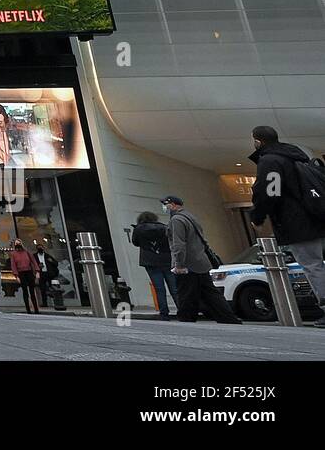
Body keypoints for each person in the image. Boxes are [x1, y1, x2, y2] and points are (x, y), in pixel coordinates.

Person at [248, 126, 325, 328]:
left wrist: (257, 216)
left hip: (297, 221)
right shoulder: (296, 155)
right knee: (317, 263)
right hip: (316, 215)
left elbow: (271, 192)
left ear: (258, 141)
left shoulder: (270, 160)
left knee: (312, 265)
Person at [162, 196, 241, 325]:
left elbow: (179, 244)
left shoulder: (176, 220)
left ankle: (186, 320)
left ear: (174, 205)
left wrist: (179, 264)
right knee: (210, 293)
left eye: (166, 204)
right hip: (201, 261)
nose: (165, 207)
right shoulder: (190, 217)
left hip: (187, 264)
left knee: (186, 295)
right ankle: (228, 318)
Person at [131, 211, 178, 320]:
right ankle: (182, 309)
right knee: (174, 287)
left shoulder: (138, 229)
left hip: (150, 261)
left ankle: (164, 313)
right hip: (166, 259)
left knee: (159, 288)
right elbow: (171, 241)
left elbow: (135, 243)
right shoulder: (163, 227)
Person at [9, 239, 41, 314]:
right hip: (21, 273)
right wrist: (16, 276)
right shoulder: (14, 254)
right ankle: (28, 309)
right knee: (25, 291)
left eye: (19, 243)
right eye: (16, 243)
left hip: (28, 271)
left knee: (32, 290)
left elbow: (33, 261)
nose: (18, 245)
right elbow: (13, 265)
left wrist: (37, 271)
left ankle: (36, 308)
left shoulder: (26, 252)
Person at [33, 241, 61, 309]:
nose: (40, 249)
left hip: (49, 273)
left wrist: (51, 261)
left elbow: (55, 263)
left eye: (41, 248)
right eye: (39, 248)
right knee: (42, 289)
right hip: (41, 274)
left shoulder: (47, 255)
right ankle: (45, 303)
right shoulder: (35, 256)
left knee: (52, 288)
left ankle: (56, 301)